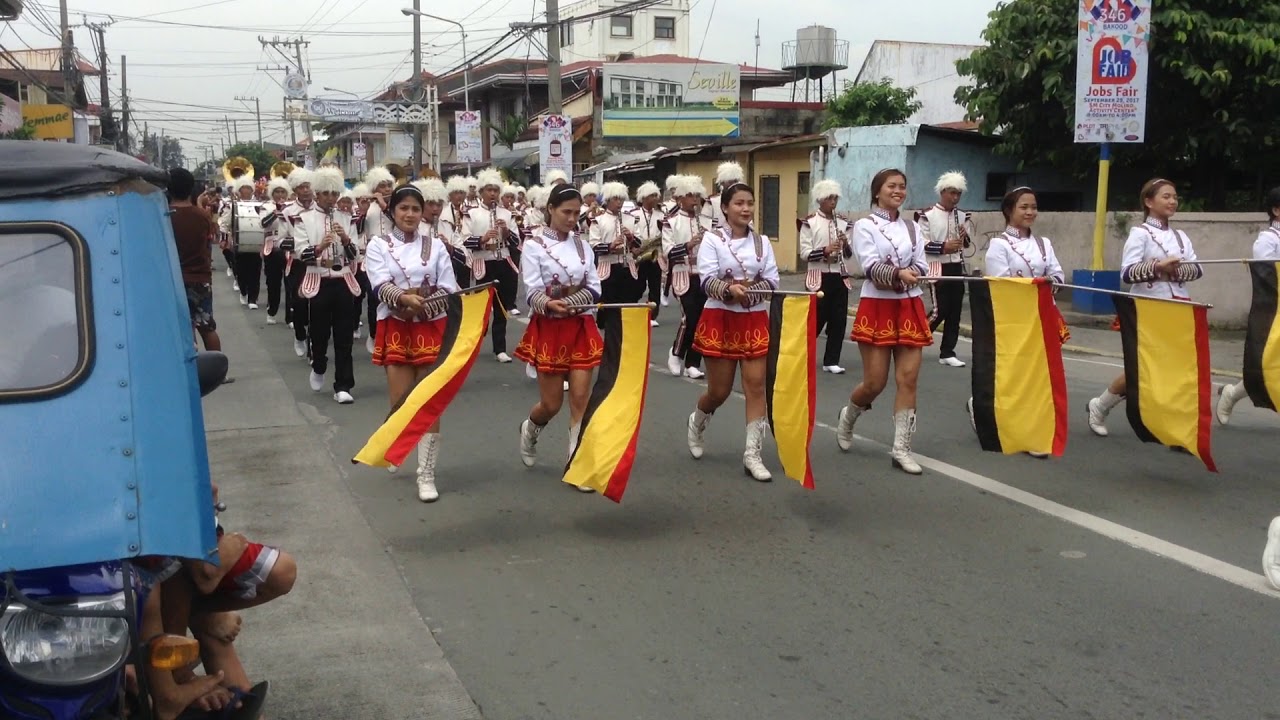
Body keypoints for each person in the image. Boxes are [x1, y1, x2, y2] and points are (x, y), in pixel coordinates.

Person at [365, 183, 460, 502]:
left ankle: (426, 474)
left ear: (423, 214)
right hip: (396, 326)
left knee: (428, 402)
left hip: (431, 328)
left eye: (415, 209)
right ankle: (394, 438)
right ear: (392, 211)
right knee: (401, 403)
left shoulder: (436, 247)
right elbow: (378, 284)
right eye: (403, 208)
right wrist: (405, 299)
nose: (409, 214)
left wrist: (427, 303)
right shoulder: (378, 245)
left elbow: (449, 286)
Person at [1087, 178, 1204, 436]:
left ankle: (1172, 425)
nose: (1172, 201)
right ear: (1149, 202)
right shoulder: (1140, 233)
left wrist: (1177, 270)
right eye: (1166, 196)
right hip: (1148, 307)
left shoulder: (1181, 237)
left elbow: (1197, 268)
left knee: (1176, 368)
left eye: (1174, 196)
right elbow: (1127, 273)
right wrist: (1158, 267)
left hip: (1178, 306)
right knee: (1143, 367)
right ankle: (1100, 405)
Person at [835, 168, 931, 475]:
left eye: (903, 186)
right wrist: (899, 274)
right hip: (878, 305)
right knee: (875, 382)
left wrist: (916, 272)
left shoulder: (913, 228)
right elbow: (870, 265)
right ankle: (849, 414)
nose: (898, 191)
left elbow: (921, 262)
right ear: (878, 191)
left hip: (909, 305)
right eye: (892, 186)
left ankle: (902, 449)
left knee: (909, 380)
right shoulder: (865, 225)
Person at [685, 182, 781, 482]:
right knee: (719, 391)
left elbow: (772, 280)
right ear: (725, 207)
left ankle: (752, 454)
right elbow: (707, 280)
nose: (746, 209)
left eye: (750, 203)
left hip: (753, 319)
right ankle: (698, 420)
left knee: (756, 386)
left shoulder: (762, 242)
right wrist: (729, 289)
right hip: (721, 318)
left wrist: (750, 293)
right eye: (739, 203)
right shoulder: (712, 240)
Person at [964, 187, 1067, 458]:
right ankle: (985, 408)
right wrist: (1034, 286)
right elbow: (1002, 286)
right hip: (1015, 320)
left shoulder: (1044, 244)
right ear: (1009, 210)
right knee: (1017, 374)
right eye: (1024, 207)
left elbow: (1058, 275)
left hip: (1043, 318)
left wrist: (1051, 284)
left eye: (1033, 206)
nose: (1030, 212)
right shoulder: (999, 245)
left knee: (1040, 375)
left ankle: (1033, 429)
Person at [515, 184, 603, 493]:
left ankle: (577, 463)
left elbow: (594, 284)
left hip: (579, 324)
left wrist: (577, 301)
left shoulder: (583, 246)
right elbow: (532, 289)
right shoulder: (534, 244)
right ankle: (531, 428)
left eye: (577, 213)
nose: (572, 218)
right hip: (550, 327)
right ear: (550, 209)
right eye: (566, 212)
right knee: (551, 404)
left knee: (581, 398)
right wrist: (550, 304)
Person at [293, 167, 361, 404]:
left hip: (342, 280)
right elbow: (301, 252)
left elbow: (355, 255)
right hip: (318, 279)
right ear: (317, 194)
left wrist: (344, 239)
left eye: (334, 194)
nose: (331, 199)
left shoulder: (347, 218)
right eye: (326, 194)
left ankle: (343, 385)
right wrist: (321, 247)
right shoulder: (303, 219)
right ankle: (319, 364)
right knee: (319, 332)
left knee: (344, 336)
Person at [1217, 186, 1280, 424]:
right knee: (1267, 363)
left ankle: (1232, 393)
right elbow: (1265, 277)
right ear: (1275, 210)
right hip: (1273, 311)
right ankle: (1232, 395)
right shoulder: (1267, 240)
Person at [463, 169, 521, 363]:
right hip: (483, 263)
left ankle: (500, 349)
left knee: (501, 307)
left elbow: (516, 241)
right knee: (481, 309)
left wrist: (505, 231)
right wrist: (482, 239)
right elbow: (464, 241)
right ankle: (472, 345)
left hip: (502, 261)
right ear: (481, 192)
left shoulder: (507, 213)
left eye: (496, 190)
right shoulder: (471, 213)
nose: (493, 194)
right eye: (489, 189)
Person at [798, 178, 853, 374]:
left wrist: (845, 244)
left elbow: (849, 255)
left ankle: (832, 360)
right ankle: (802, 356)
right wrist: (826, 250)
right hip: (818, 275)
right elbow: (804, 253)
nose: (833, 202)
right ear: (820, 200)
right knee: (815, 319)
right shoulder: (809, 222)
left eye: (835, 198)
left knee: (838, 319)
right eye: (829, 198)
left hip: (839, 274)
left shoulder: (844, 222)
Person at [920, 171, 973, 368]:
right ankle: (917, 339)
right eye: (952, 193)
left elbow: (966, 244)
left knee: (955, 310)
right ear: (942, 192)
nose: (955, 197)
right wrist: (943, 247)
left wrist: (963, 237)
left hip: (956, 265)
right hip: (936, 265)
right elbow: (921, 243)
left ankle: (948, 351)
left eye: (958, 193)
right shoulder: (927, 215)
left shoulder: (963, 215)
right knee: (938, 309)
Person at [168, 168, 222, 352]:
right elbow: (209, 242)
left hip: (173, 280)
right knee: (207, 327)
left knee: (183, 328)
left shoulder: (164, 216)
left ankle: (191, 371)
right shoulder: (203, 216)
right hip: (200, 278)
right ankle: (219, 372)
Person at [663, 175, 709, 380]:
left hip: (704, 275)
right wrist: (689, 245)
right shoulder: (671, 222)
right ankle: (676, 353)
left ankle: (693, 362)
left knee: (702, 320)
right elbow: (667, 252)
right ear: (680, 198)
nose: (694, 200)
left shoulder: (707, 221)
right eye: (690, 196)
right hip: (682, 274)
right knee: (689, 317)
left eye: (697, 196)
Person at [590, 181, 644, 334]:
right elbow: (594, 245)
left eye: (621, 199)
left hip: (627, 266)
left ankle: (625, 334)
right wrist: (610, 246)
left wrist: (631, 237)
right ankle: (609, 331)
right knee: (610, 307)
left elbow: (640, 244)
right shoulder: (598, 220)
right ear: (607, 200)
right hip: (608, 267)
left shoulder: (631, 219)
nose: (619, 202)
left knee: (628, 303)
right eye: (615, 199)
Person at [281, 168, 316, 356]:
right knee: (300, 304)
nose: (306, 190)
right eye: (302, 187)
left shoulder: (320, 209)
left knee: (317, 306)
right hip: (297, 263)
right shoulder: (287, 212)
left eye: (308, 186)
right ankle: (300, 335)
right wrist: (303, 243)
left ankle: (313, 344)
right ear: (295, 190)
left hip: (317, 262)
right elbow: (280, 241)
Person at [219, 176, 262, 309]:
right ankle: (243, 291)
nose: (247, 191)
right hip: (238, 243)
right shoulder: (233, 205)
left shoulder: (259, 205)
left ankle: (253, 299)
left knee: (255, 272)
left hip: (256, 244)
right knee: (241, 271)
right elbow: (224, 224)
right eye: (244, 188)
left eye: (249, 188)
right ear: (239, 190)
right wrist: (225, 239)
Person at [258, 176, 292, 325]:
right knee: (273, 283)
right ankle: (272, 310)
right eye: (277, 191)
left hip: (288, 248)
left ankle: (290, 317)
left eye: (283, 191)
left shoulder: (292, 206)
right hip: (271, 247)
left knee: (290, 283)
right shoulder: (266, 206)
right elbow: (263, 224)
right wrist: (276, 212)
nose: (280, 195)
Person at [701, 161, 745, 231]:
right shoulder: (712, 202)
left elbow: (748, 224)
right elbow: (704, 223)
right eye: (730, 182)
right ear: (722, 183)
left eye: (735, 182)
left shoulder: (743, 201)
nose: (733, 185)